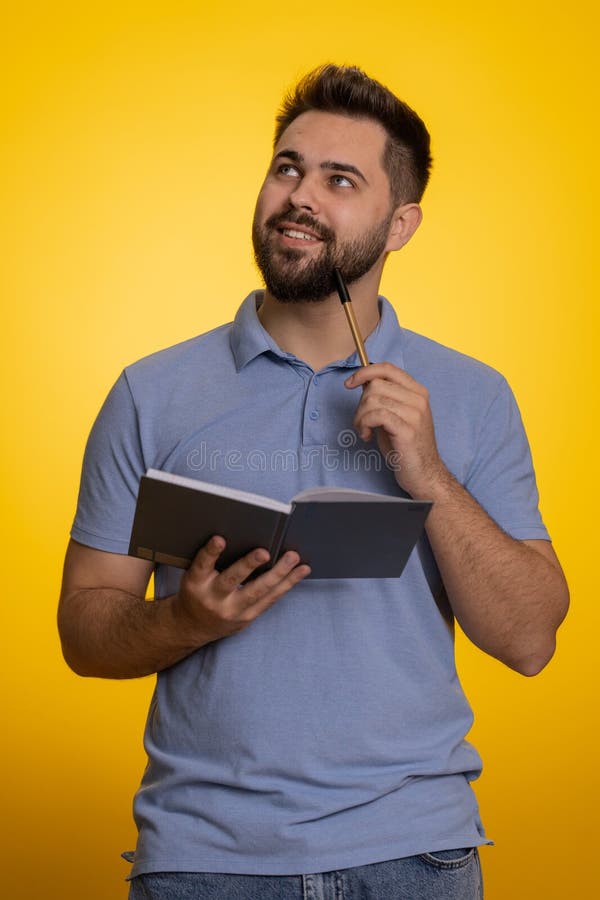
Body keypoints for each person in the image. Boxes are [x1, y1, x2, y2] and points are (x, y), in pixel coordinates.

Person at [58, 64, 569, 900]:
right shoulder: (150, 393)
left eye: (341, 180)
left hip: (416, 856)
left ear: (400, 223)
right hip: (204, 861)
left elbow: (529, 641)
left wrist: (428, 472)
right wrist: (185, 619)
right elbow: (84, 631)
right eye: (287, 168)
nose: (300, 196)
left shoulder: (474, 395)